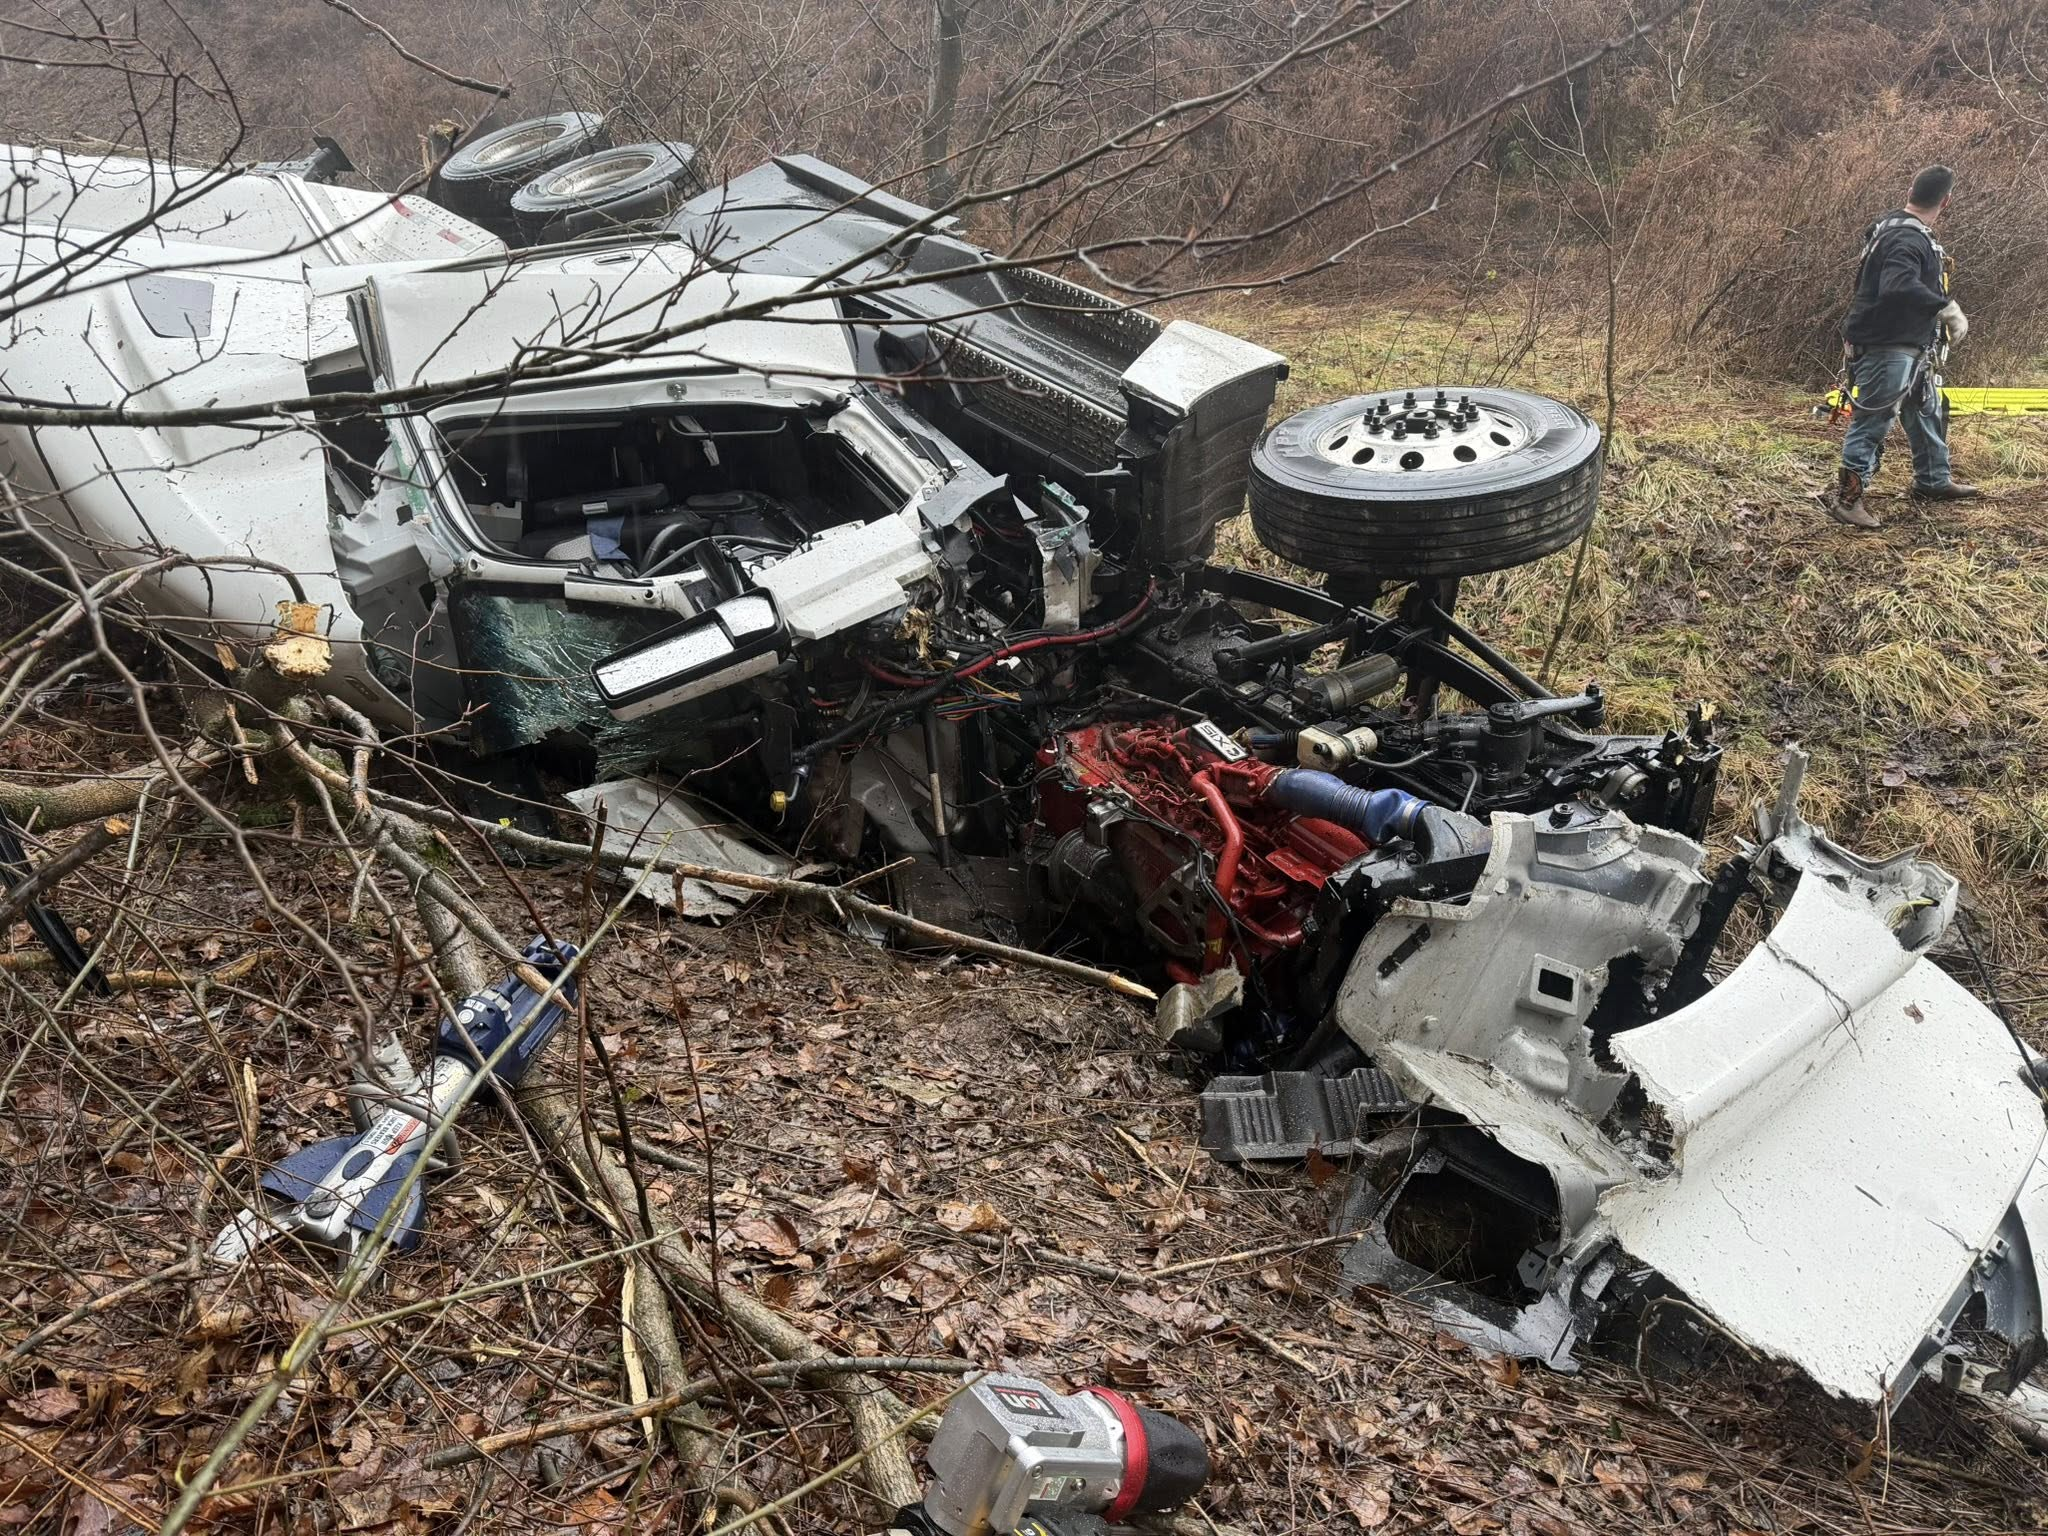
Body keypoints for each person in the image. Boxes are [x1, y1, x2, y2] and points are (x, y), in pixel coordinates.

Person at [1823, 164, 1978, 529]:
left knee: (1926, 411)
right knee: (1875, 418)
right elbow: (1897, 285)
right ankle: (1847, 500)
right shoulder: (1907, 239)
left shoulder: (1889, 227)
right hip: (1885, 346)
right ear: (1947, 201)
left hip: (1908, 346)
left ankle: (1932, 481)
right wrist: (1945, 308)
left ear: (1910, 190)